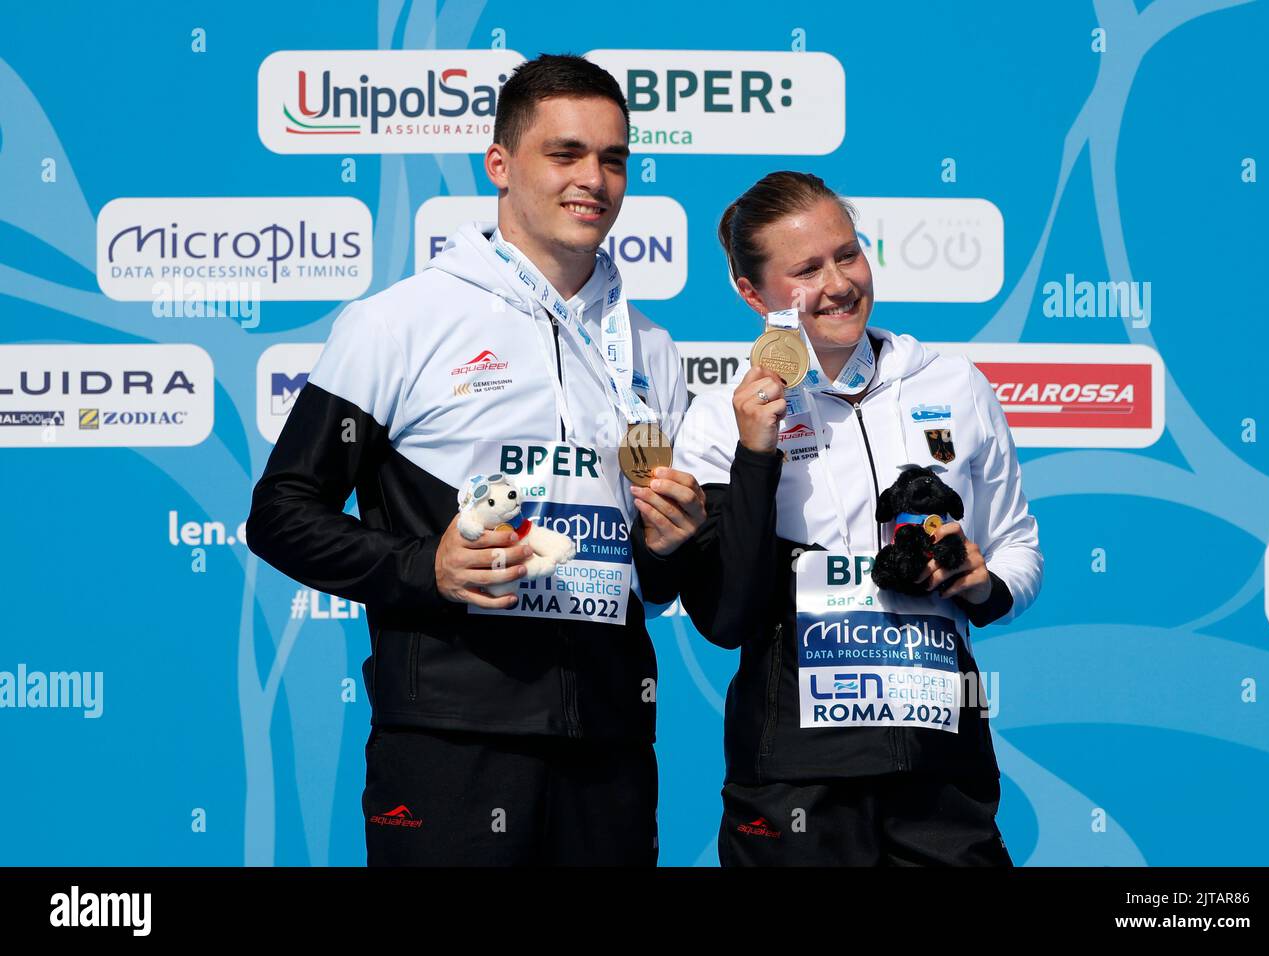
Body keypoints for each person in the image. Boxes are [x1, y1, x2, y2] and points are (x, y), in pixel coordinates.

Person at [245, 54, 705, 866]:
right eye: (565, 154)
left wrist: (669, 546)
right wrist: (430, 568)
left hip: (609, 744)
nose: (593, 179)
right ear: (500, 164)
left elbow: (655, 583)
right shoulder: (401, 323)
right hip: (450, 745)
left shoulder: (650, 350)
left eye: (613, 158)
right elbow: (281, 514)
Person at [673, 171, 1043, 866]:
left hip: (940, 764)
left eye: (847, 254)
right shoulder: (720, 418)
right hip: (795, 776)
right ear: (754, 295)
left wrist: (977, 581)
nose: (839, 283)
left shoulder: (953, 384)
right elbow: (725, 616)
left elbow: (1018, 547)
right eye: (806, 269)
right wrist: (757, 448)